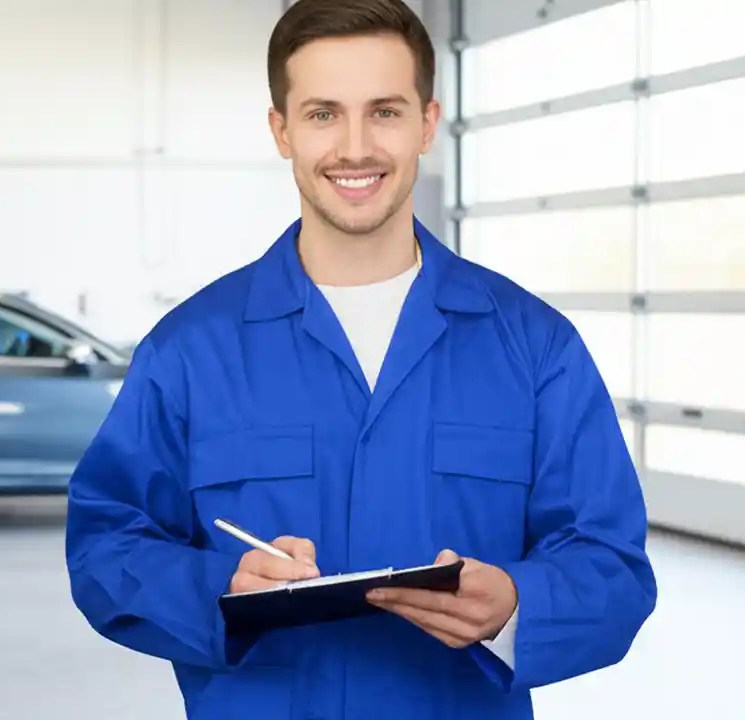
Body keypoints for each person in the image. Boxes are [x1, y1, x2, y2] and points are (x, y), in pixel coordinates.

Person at [64, 0, 657, 717]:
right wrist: (218, 590)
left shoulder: (534, 346)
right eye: (322, 114)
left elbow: (612, 563)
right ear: (281, 130)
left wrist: (517, 607)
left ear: (427, 123)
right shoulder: (190, 349)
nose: (354, 147)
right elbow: (107, 542)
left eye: (384, 111)